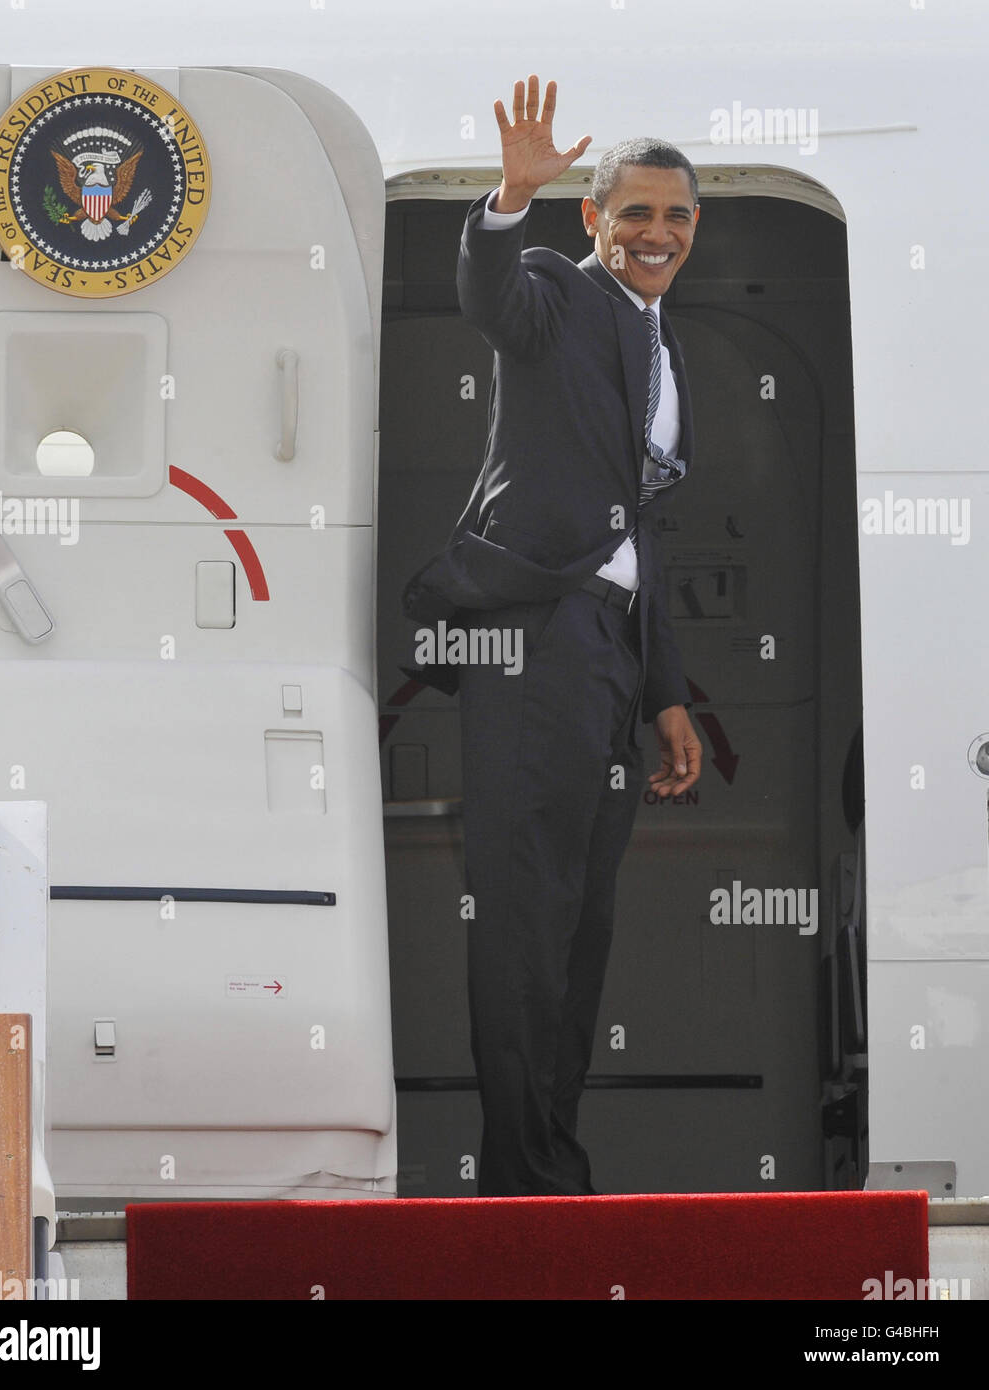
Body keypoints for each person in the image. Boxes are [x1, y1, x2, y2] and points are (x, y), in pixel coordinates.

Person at [401, 75, 702, 1196]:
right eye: (633, 212)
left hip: (608, 656)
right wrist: (505, 201)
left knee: (579, 927)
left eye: (674, 215)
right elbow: (490, 296)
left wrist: (663, 691)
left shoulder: (668, 352)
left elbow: (642, 540)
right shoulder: (553, 294)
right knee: (524, 917)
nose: (654, 232)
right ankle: (525, 1181)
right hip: (535, 647)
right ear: (592, 219)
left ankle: (548, 1162)